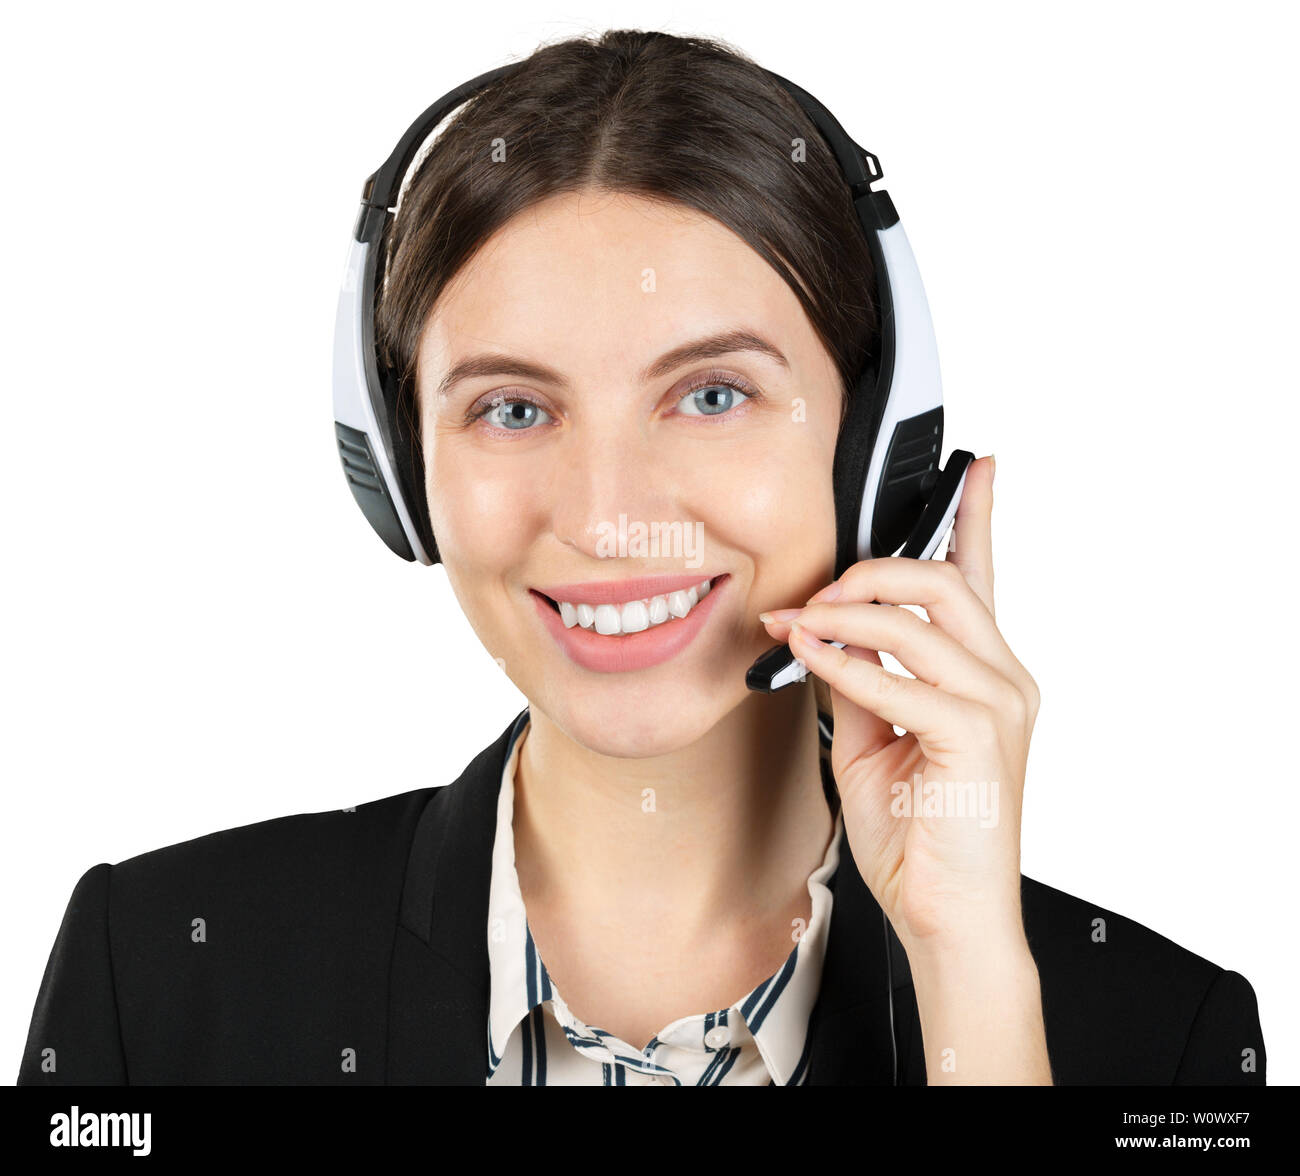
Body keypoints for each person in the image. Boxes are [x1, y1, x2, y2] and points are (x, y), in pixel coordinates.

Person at [17, 28, 1265, 1086]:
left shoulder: (1162, 1044)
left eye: (712, 394)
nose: (609, 517)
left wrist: (969, 981)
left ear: (877, 442)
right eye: (513, 409)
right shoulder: (164, 981)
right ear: (400, 469)